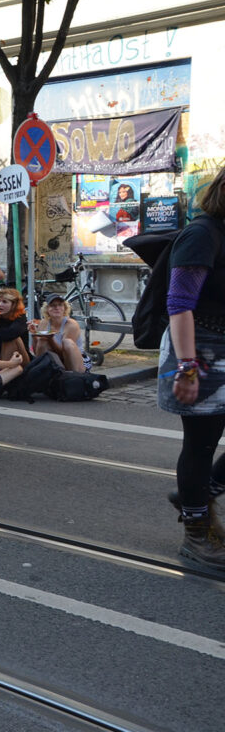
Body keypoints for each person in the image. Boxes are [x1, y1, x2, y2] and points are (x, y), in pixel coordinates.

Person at [157, 166, 225, 570]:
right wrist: (187, 366)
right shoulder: (202, 234)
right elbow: (179, 303)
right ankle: (197, 534)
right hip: (198, 349)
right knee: (200, 443)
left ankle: (196, 495)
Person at [28, 294, 89, 372]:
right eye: (53, 305)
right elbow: (37, 352)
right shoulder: (44, 323)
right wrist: (34, 334)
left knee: (68, 342)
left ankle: (75, 377)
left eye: (60, 305)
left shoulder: (71, 324)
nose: (57, 308)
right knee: (42, 341)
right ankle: (41, 374)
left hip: (78, 360)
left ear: (64, 308)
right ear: (47, 309)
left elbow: (64, 353)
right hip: (57, 358)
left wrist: (51, 340)